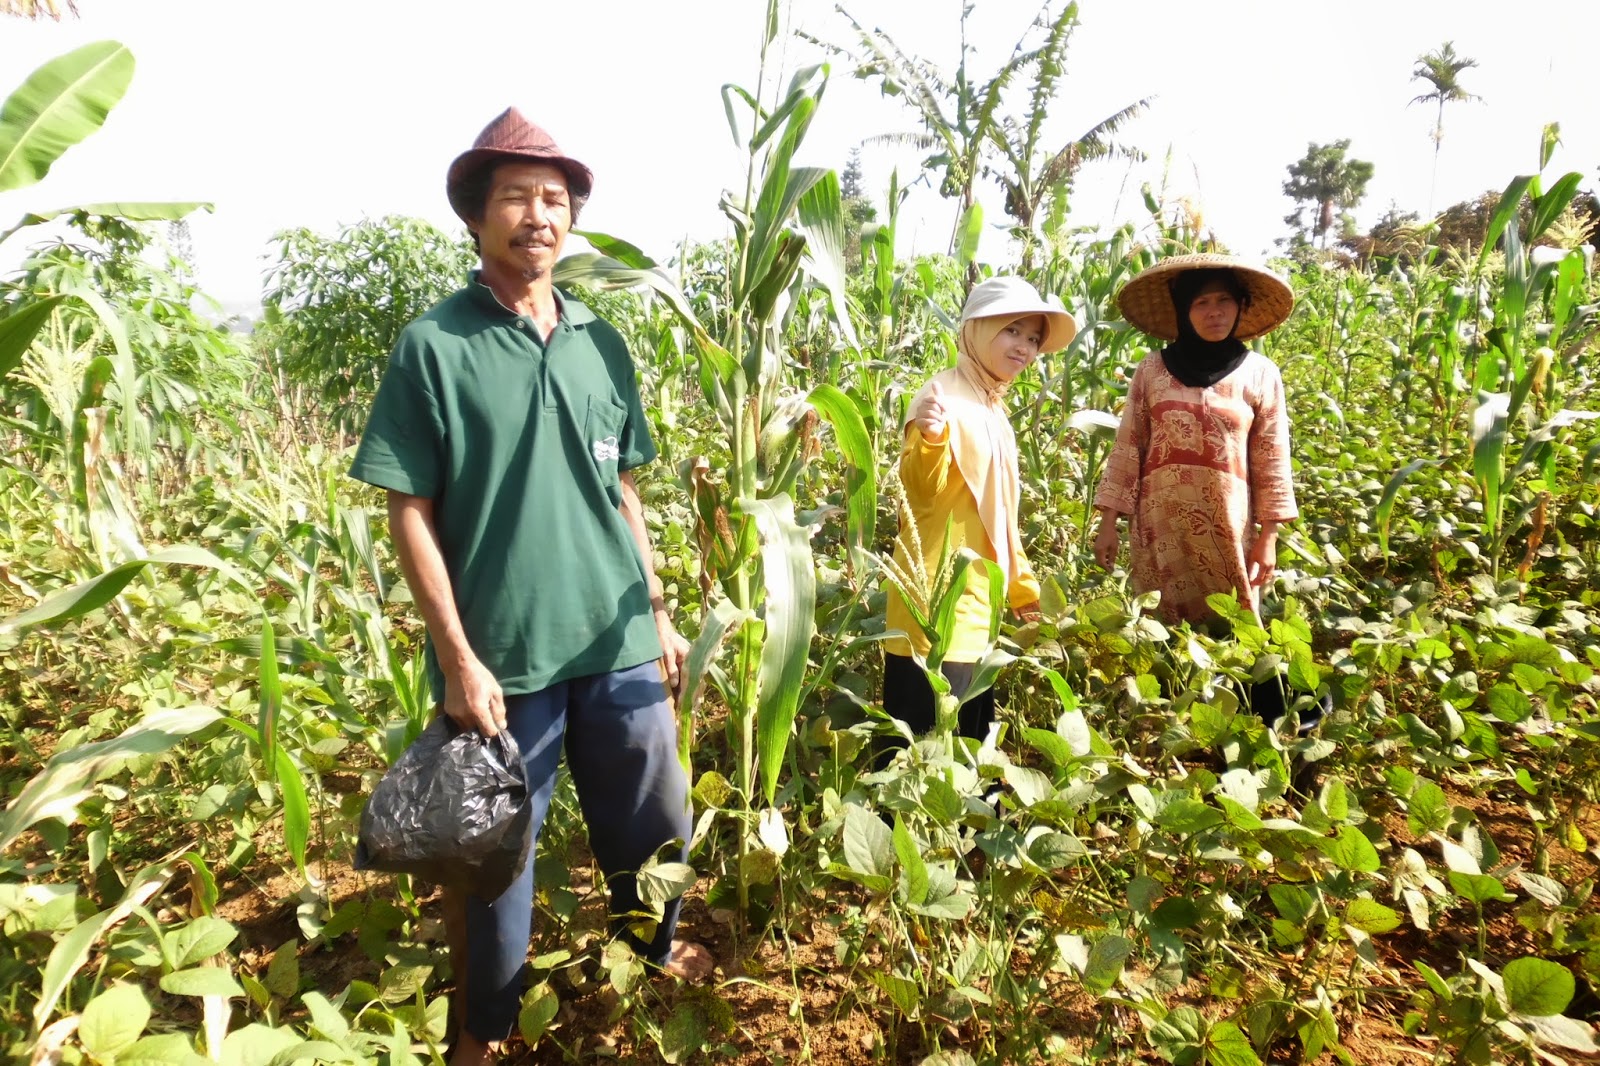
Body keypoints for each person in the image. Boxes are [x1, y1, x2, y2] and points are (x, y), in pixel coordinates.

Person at [348, 108, 710, 1065]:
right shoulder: (435, 345)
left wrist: (660, 615)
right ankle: (484, 1029)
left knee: (655, 820)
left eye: (555, 199)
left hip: (618, 635)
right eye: (516, 197)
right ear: (477, 216)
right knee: (494, 857)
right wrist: (457, 658)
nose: (538, 215)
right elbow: (409, 508)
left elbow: (620, 487)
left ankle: (651, 951)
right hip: (504, 655)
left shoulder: (602, 342)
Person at [882, 276, 1076, 747]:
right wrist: (930, 438)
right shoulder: (941, 395)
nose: (1025, 348)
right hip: (932, 599)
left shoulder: (993, 410)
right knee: (919, 747)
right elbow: (920, 491)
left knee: (969, 743)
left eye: (1033, 338)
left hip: (978, 600)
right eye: (1013, 331)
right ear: (977, 329)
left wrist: (1021, 589)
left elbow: (1000, 515)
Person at [1091, 252, 1298, 627]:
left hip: (1230, 528)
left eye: (1223, 300)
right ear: (1184, 310)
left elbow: (1272, 458)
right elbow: (1128, 446)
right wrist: (1108, 522)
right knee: (1162, 631)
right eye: (1201, 302)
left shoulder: (1261, 374)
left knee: (1237, 628)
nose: (1213, 312)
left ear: (1240, 306)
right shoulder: (1151, 370)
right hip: (1159, 529)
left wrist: (1269, 537)